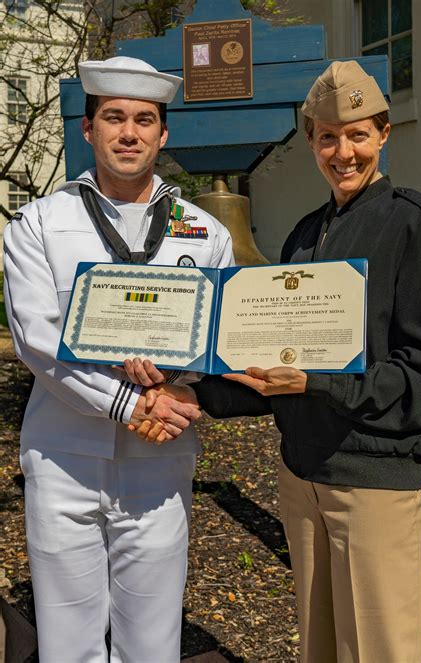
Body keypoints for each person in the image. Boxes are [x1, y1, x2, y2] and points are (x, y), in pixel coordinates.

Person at [128, 61, 421, 663]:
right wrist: (195, 395)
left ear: (384, 134)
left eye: (359, 134)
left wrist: (315, 381)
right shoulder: (306, 238)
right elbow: (272, 376)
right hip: (300, 479)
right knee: (319, 649)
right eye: (329, 137)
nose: (344, 152)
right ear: (312, 140)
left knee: (382, 652)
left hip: (374, 489)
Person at [3, 56, 234, 662]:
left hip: (159, 455)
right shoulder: (40, 224)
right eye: (113, 118)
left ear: (163, 134)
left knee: (152, 636)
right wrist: (128, 402)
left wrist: (176, 383)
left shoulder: (205, 233)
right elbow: (35, 338)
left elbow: (219, 336)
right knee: (67, 638)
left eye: (144, 119)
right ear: (89, 130)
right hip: (64, 457)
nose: (129, 133)